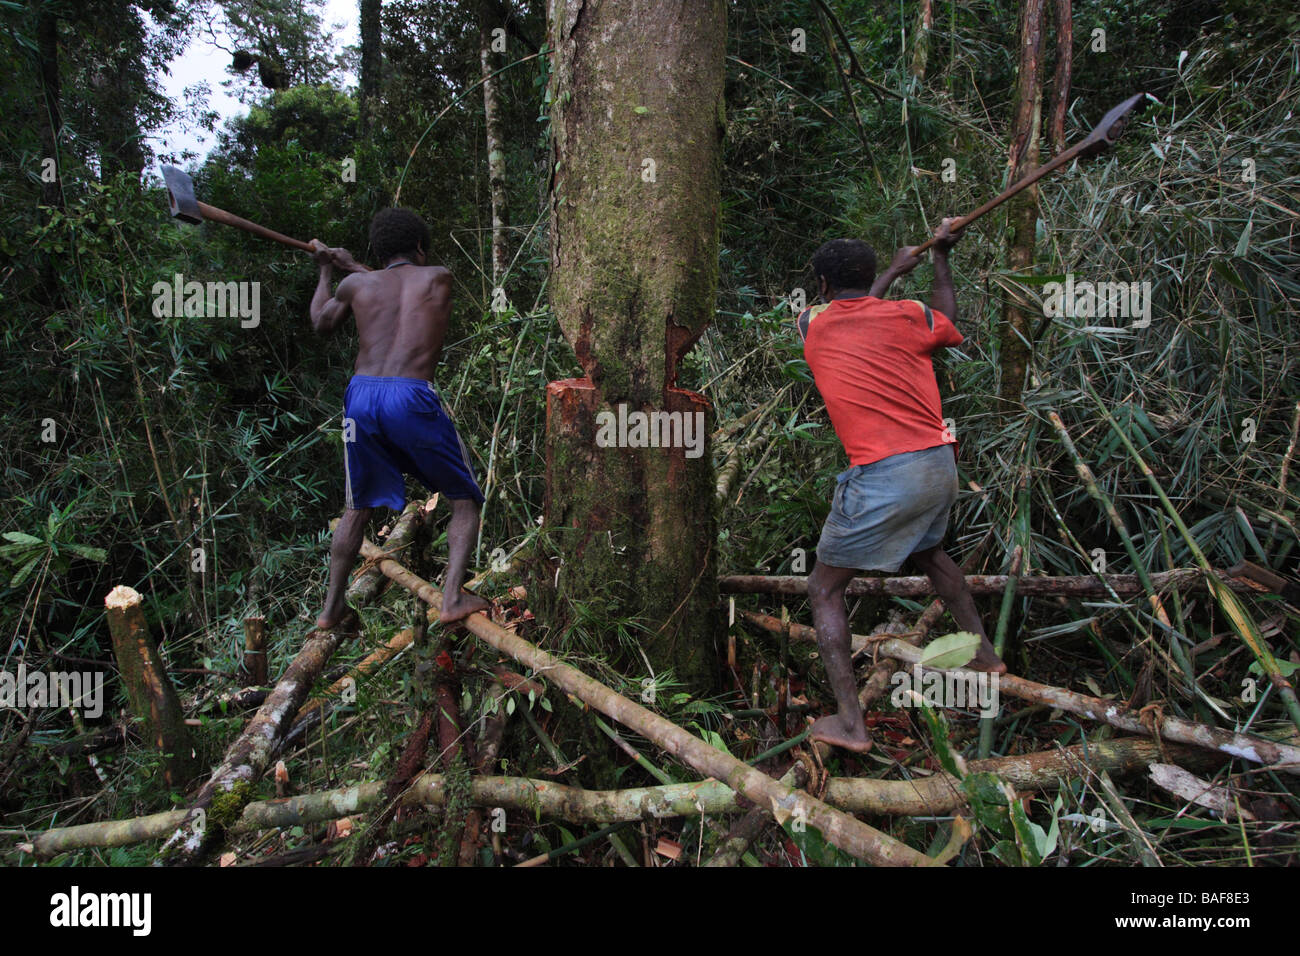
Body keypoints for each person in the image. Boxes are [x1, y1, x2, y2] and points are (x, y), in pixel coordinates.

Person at [797, 218, 1006, 754]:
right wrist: (942, 258)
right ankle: (983, 652)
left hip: (885, 475)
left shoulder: (812, 324)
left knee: (823, 588)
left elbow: (852, 312)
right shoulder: (908, 318)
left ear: (820, 286)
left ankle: (850, 723)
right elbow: (946, 317)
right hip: (939, 464)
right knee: (932, 555)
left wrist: (890, 270)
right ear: (870, 276)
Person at [308, 207, 489, 630]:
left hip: (361, 396)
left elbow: (321, 321)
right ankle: (452, 598)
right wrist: (345, 264)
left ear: (378, 250)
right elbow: (403, 286)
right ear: (421, 247)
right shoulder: (439, 277)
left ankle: (332, 608)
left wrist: (326, 272)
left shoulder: (356, 284)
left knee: (358, 506)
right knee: (466, 498)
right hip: (409, 395)